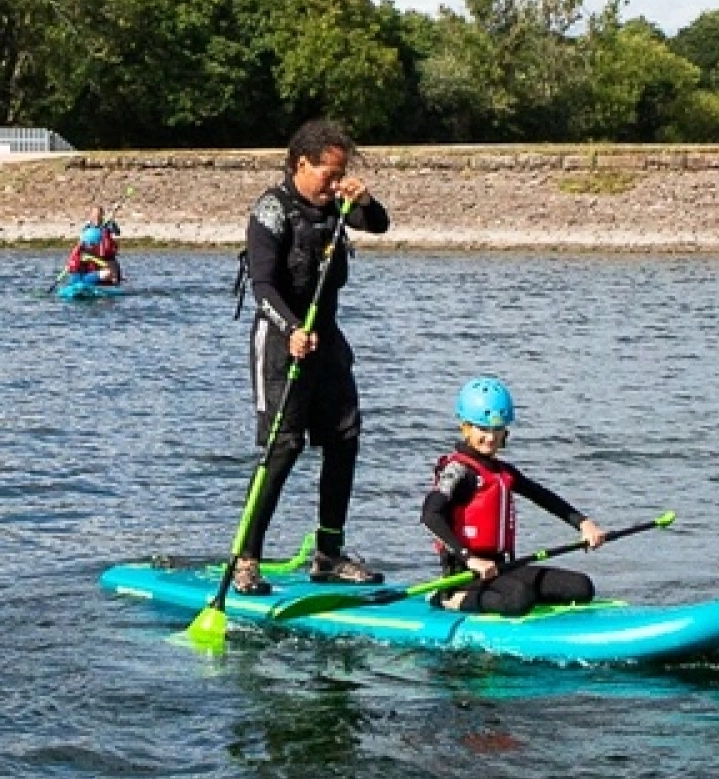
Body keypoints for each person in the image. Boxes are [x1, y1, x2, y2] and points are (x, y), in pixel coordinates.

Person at [230, 119, 391, 595]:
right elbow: (261, 286)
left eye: (342, 173)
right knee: (284, 447)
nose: (336, 182)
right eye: (330, 172)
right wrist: (291, 329)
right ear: (303, 164)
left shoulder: (339, 207)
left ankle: (328, 553)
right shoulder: (270, 211)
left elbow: (379, 224)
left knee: (345, 438)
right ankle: (247, 559)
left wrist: (361, 199)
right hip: (281, 340)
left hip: (328, 341)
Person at [420, 377, 606, 615]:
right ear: (465, 427)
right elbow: (430, 515)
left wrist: (584, 524)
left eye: (497, 429)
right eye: (483, 429)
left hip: (504, 567)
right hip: (466, 572)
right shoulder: (457, 471)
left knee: (581, 587)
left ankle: (503, 596)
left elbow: (544, 497)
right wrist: (469, 559)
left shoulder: (502, 472)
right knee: (518, 598)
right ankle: (450, 599)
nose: (491, 437)